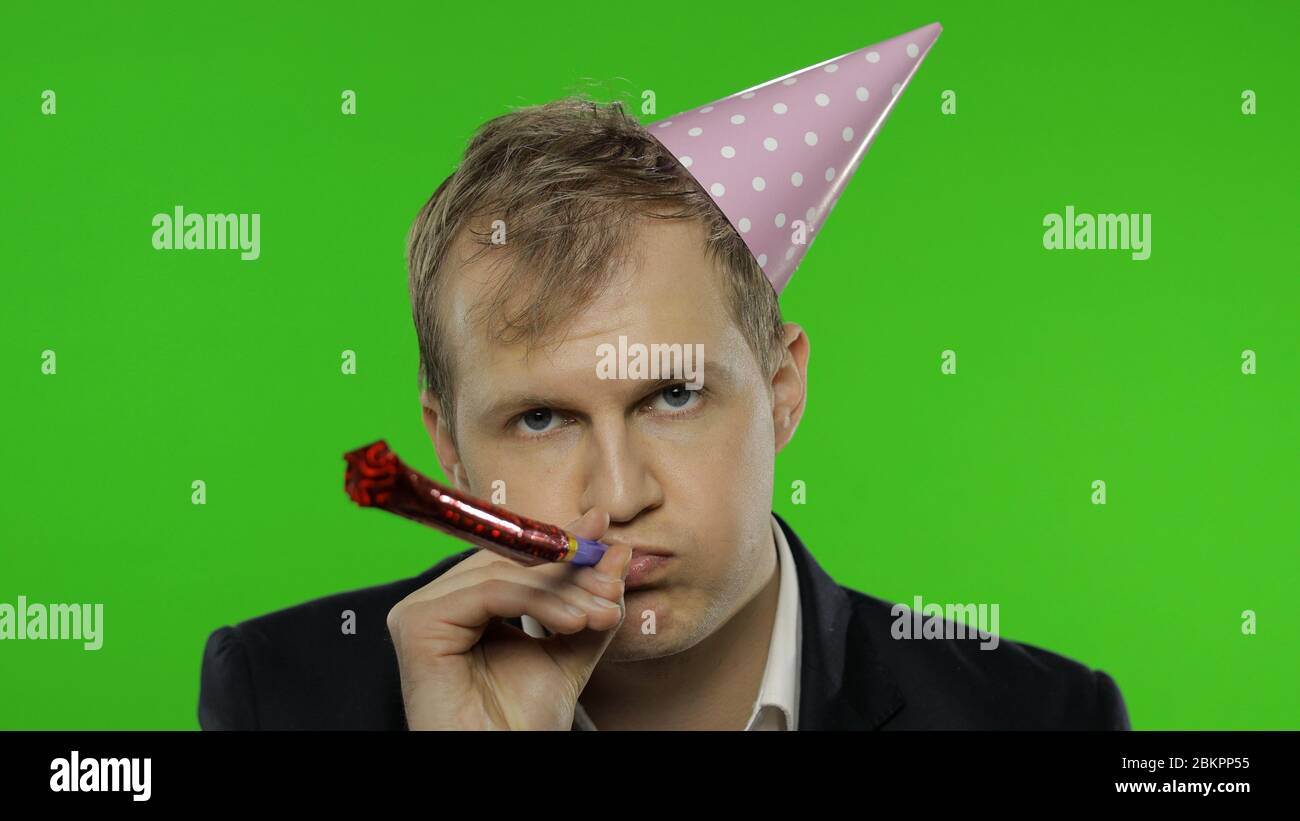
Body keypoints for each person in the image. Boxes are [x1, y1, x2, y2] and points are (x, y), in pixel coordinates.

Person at [199, 23, 1130, 730]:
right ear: (447, 445)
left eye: (672, 395)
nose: (620, 492)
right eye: (539, 419)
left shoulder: (1039, 716)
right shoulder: (280, 695)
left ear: (781, 387)